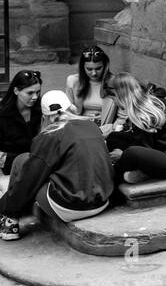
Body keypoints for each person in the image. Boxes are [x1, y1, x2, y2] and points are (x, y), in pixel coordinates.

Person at [0, 90, 113, 241]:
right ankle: (12, 209)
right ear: (71, 108)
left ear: (44, 116)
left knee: (23, 161)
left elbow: (30, 177)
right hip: (102, 202)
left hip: (68, 207)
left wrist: (6, 206)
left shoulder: (49, 135)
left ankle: (10, 221)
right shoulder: (91, 126)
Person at [106, 75, 166, 184]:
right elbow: (141, 138)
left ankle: (113, 186)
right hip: (161, 151)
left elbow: (145, 145)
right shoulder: (144, 103)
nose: (114, 103)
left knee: (131, 153)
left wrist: (122, 155)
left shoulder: (147, 110)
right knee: (114, 137)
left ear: (121, 96)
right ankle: (144, 173)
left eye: (114, 98)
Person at [0, 70, 42, 195]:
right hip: (10, 167)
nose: (35, 97)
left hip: (36, 163)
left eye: (38, 92)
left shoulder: (40, 109)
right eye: (30, 93)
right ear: (16, 91)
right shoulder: (2, 114)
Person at [65, 45, 118, 131]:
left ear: (105, 66)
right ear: (82, 67)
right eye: (89, 69)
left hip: (106, 129)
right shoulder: (72, 81)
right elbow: (67, 111)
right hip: (80, 126)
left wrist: (112, 128)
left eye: (98, 68)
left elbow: (123, 114)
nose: (94, 73)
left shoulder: (114, 82)